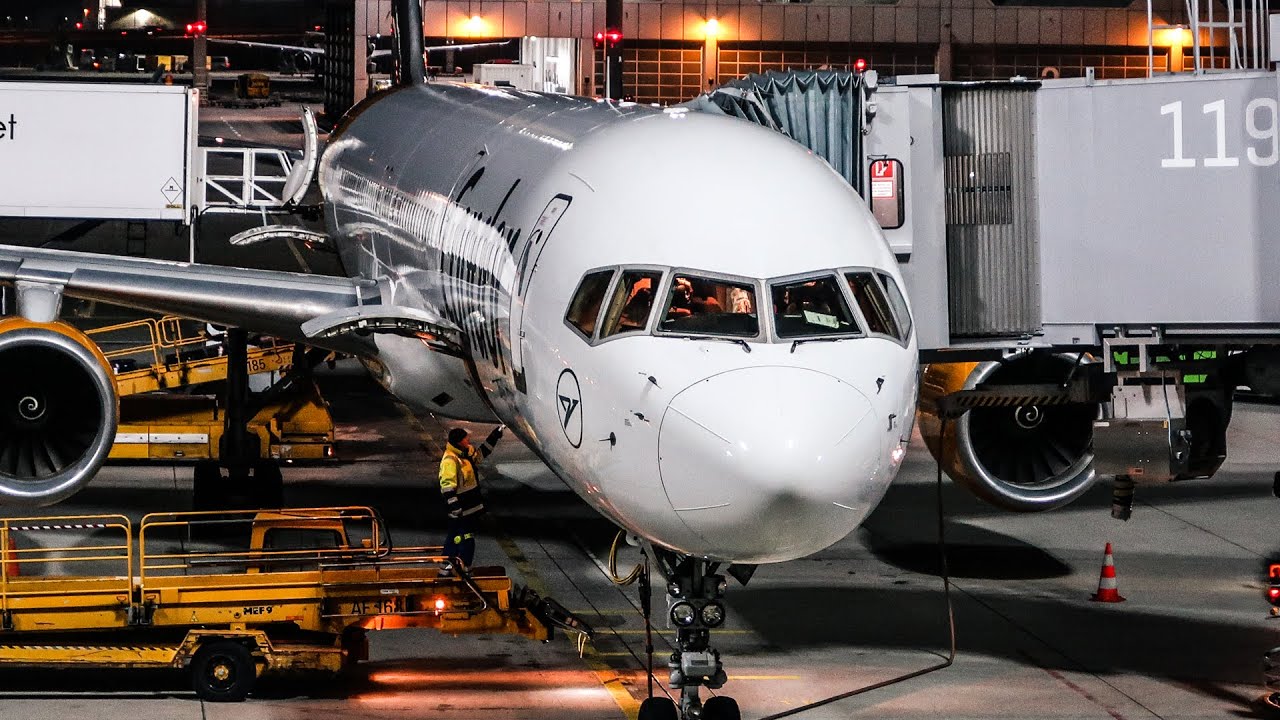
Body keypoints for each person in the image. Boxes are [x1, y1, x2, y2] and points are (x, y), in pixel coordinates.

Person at [438, 425, 504, 576]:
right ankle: (453, 568)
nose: (469, 440)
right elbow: (447, 486)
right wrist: (455, 507)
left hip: (470, 508)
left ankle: (455, 567)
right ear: (459, 441)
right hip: (460, 510)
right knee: (460, 538)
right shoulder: (450, 460)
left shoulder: (465, 453)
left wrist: (494, 436)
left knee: (462, 537)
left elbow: (481, 454)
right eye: (465, 438)